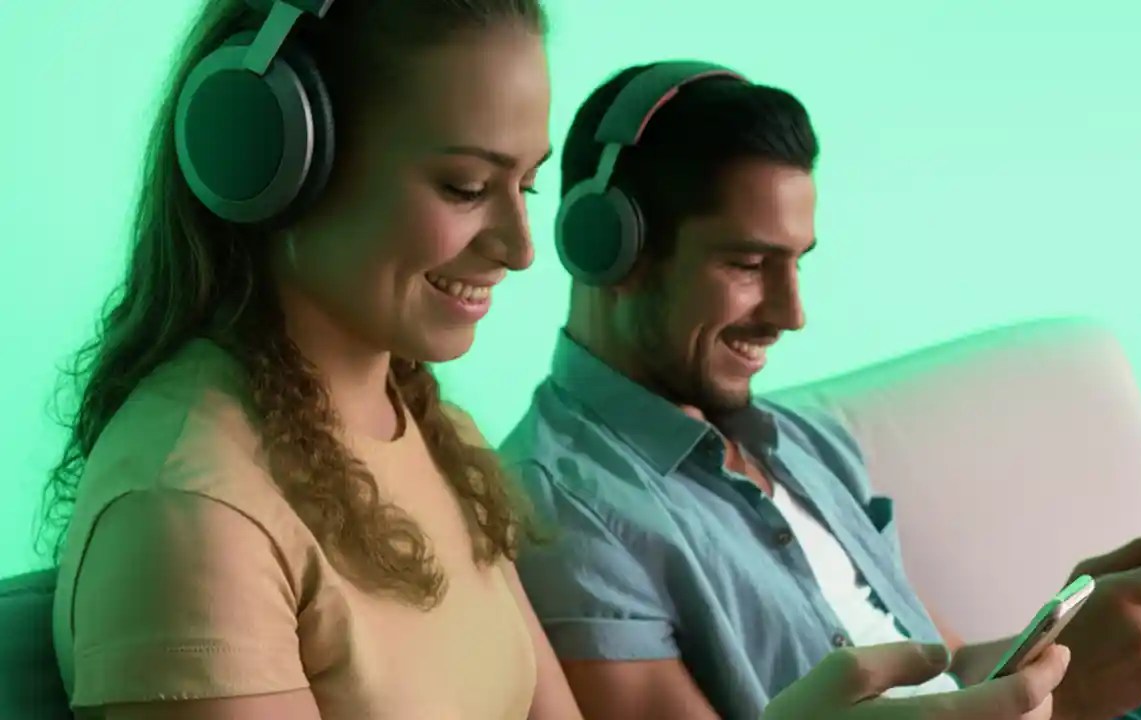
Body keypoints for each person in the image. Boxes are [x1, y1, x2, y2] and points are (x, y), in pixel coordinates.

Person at [41, 2, 1067, 719]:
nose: (522, 248)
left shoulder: (423, 425)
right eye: (461, 187)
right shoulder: (191, 516)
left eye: (524, 187)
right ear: (266, 159)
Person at [502, 60, 1141, 720]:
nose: (791, 314)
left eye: (797, 262)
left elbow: (941, 672)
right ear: (607, 248)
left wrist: (1069, 642)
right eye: (747, 265)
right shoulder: (561, 510)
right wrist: (1057, 704)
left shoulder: (801, 443)